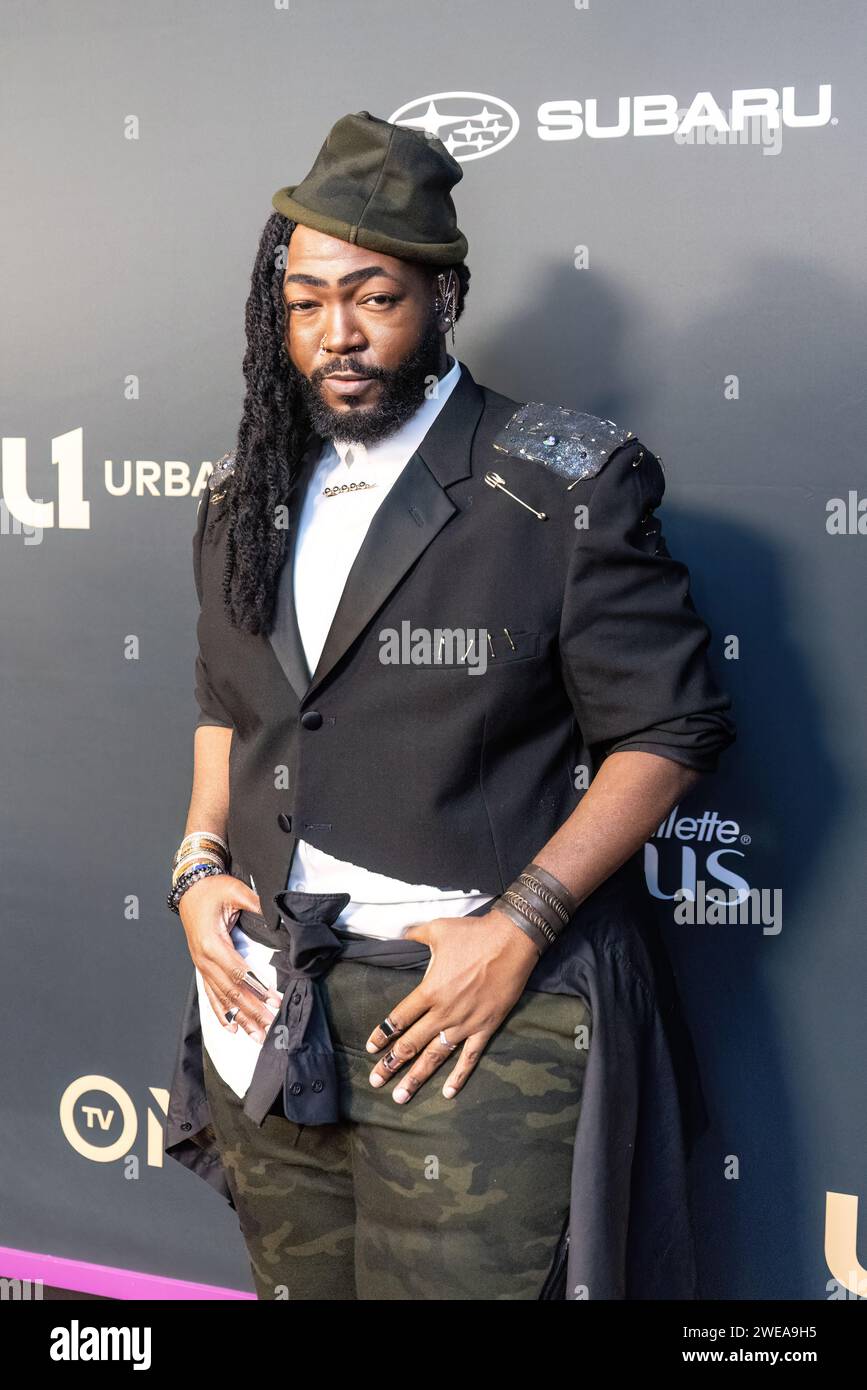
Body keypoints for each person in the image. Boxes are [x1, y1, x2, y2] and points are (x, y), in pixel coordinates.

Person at [164, 110, 736, 1301]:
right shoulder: (244, 492)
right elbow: (230, 711)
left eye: (375, 297)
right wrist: (197, 863)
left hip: (473, 1017)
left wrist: (519, 924)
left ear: (443, 296)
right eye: (308, 302)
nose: (339, 336)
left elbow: (670, 729)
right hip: (274, 1002)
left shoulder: (561, 481)